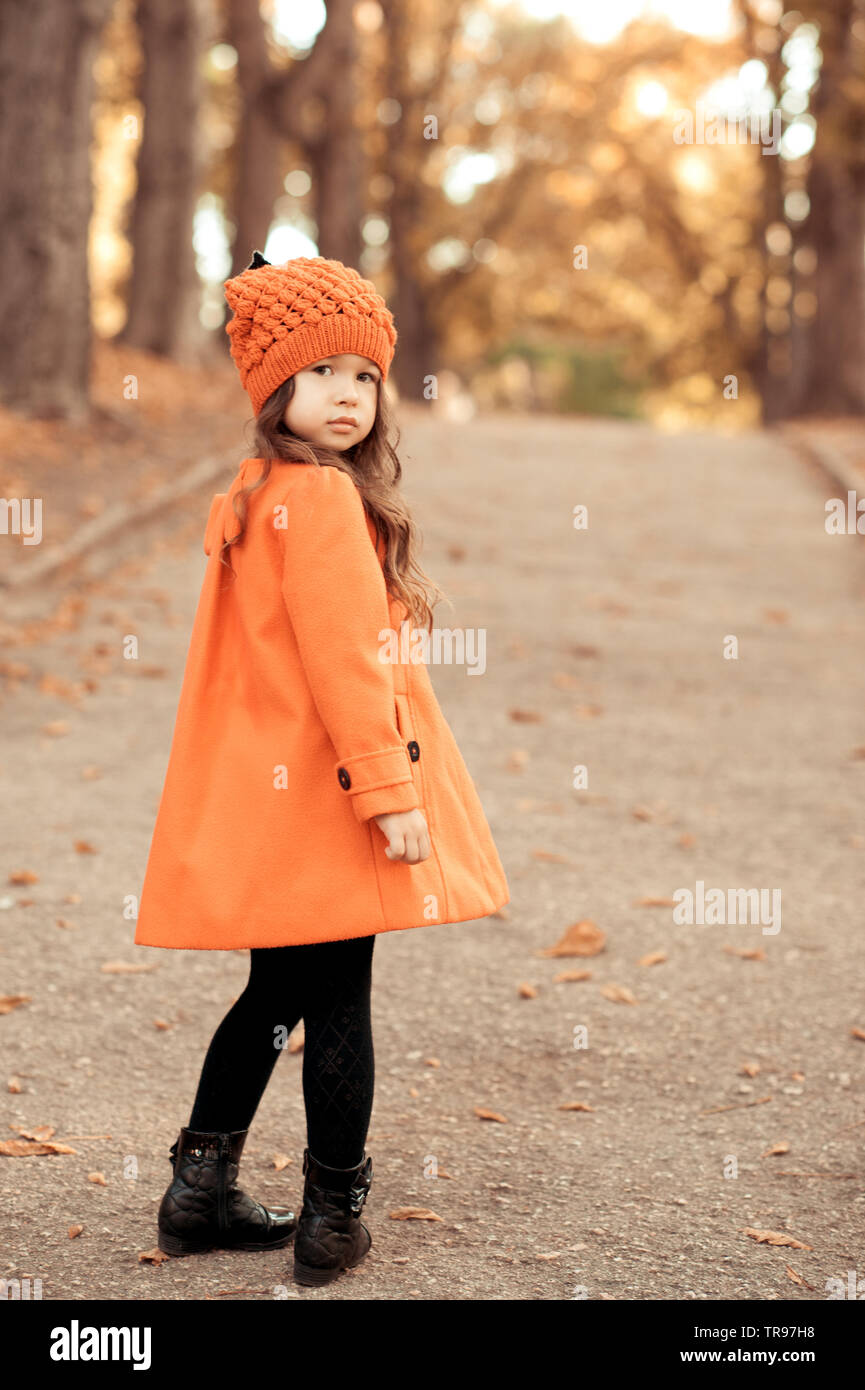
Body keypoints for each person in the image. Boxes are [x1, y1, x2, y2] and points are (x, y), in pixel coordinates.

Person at [134, 252, 510, 1286]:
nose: (346, 394)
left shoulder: (255, 491)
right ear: (273, 389)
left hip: (276, 797)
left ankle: (198, 1189)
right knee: (337, 998)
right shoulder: (322, 504)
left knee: (270, 993)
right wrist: (391, 795)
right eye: (321, 373)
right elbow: (348, 667)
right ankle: (331, 1215)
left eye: (364, 375)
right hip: (335, 795)